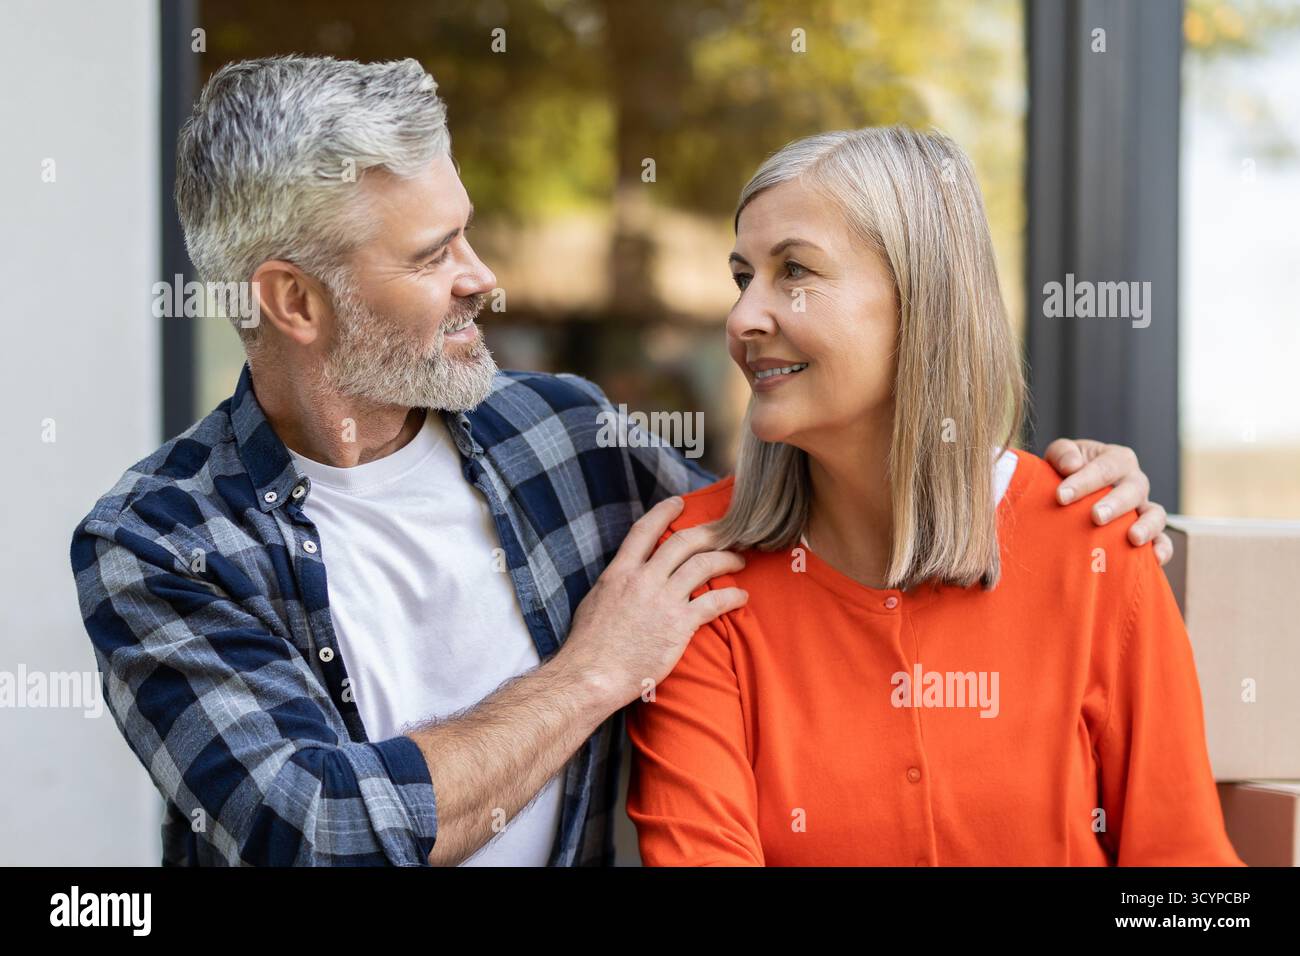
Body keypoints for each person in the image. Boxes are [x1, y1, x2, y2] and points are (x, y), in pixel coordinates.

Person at [70, 58, 1172, 866]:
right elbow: (312, 830)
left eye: (466, 231)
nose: (481, 275)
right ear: (293, 301)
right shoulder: (160, 539)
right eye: (430, 253)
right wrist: (593, 671)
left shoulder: (568, 442)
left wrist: (1054, 491)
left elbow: (835, 492)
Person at [626, 126, 1242, 867]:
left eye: (793, 271)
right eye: (742, 277)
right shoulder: (697, 570)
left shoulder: (1096, 543)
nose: (741, 319)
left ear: (923, 298)